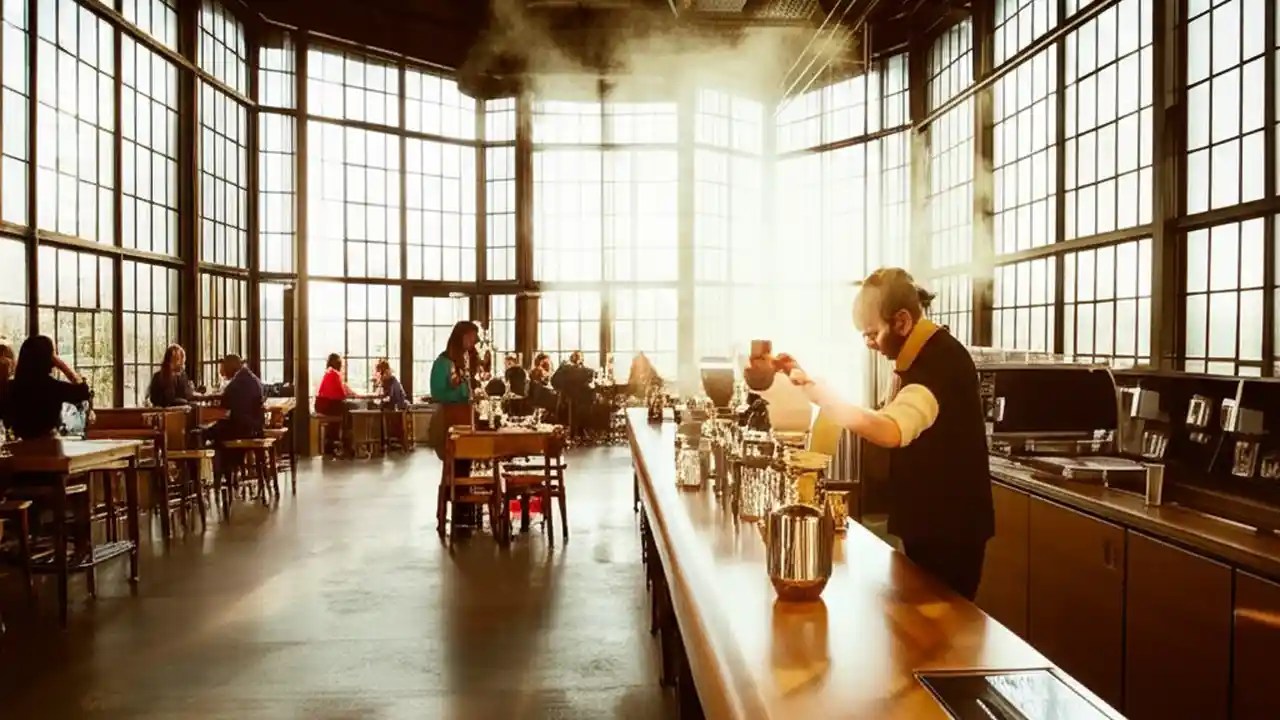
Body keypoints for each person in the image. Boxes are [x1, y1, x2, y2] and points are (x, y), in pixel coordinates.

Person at [754, 268, 993, 600]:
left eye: (872, 333)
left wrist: (822, 394)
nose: (869, 344)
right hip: (932, 524)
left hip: (949, 532)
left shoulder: (939, 363)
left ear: (902, 321)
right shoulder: (922, 355)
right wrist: (807, 383)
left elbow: (892, 429)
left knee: (943, 630)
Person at [431, 321, 481, 532]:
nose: (473, 342)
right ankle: (453, 510)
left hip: (466, 418)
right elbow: (437, 392)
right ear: (460, 337)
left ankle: (464, 510)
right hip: (449, 419)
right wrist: (462, 392)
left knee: (465, 466)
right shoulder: (443, 362)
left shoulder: (467, 361)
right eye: (470, 337)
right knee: (453, 467)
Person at [1, 335, 92, 440]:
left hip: (16, 450)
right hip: (48, 448)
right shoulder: (53, 388)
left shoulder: (10, 388)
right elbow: (83, 392)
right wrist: (61, 364)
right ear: (48, 359)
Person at [206, 354, 265, 483]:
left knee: (207, 434)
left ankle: (221, 475)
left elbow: (224, 408)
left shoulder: (236, 384)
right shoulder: (252, 379)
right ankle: (229, 472)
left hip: (241, 428)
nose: (221, 372)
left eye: (223, 368)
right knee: (214, 431)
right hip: (254, 428)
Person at [315, 353, 356, 455]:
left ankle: (333, 442)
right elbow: (341, 394)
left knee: (344, 408)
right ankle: (347, 442)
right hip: (328, 405)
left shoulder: (328, 373)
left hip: (321, 405)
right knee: (350, 409)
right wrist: (351, 393)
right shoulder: (334, 374)